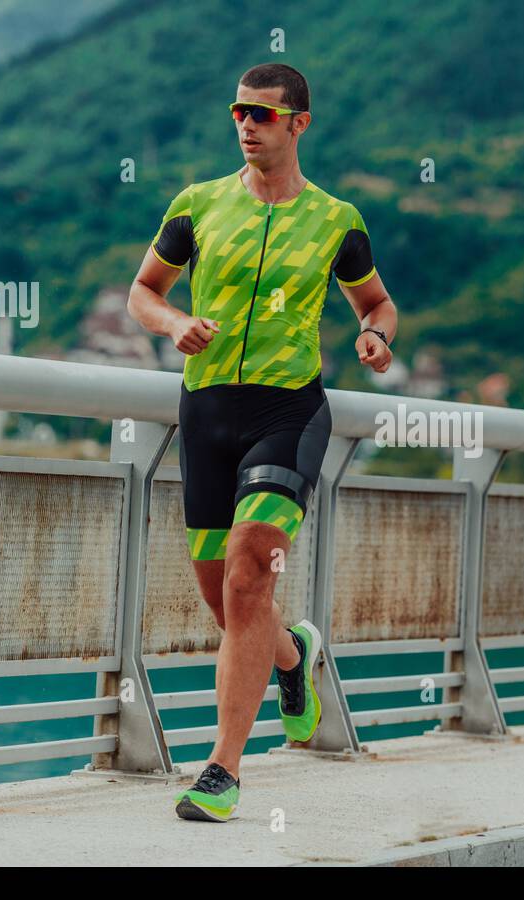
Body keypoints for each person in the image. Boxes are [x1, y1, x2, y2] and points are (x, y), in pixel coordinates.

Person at [127, 63, 397, 821]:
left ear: (297, 124)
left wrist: (374, 335)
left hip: (288, 411)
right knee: (228, 603)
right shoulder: (197, 205)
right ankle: (293, 654)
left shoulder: (336, 219)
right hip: (207, 415)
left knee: (250, 573)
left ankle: (222, 768)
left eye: (263, 115)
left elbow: (375, 300)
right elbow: (142, 290)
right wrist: (175, 324)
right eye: (239, 112)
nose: (247, 125)